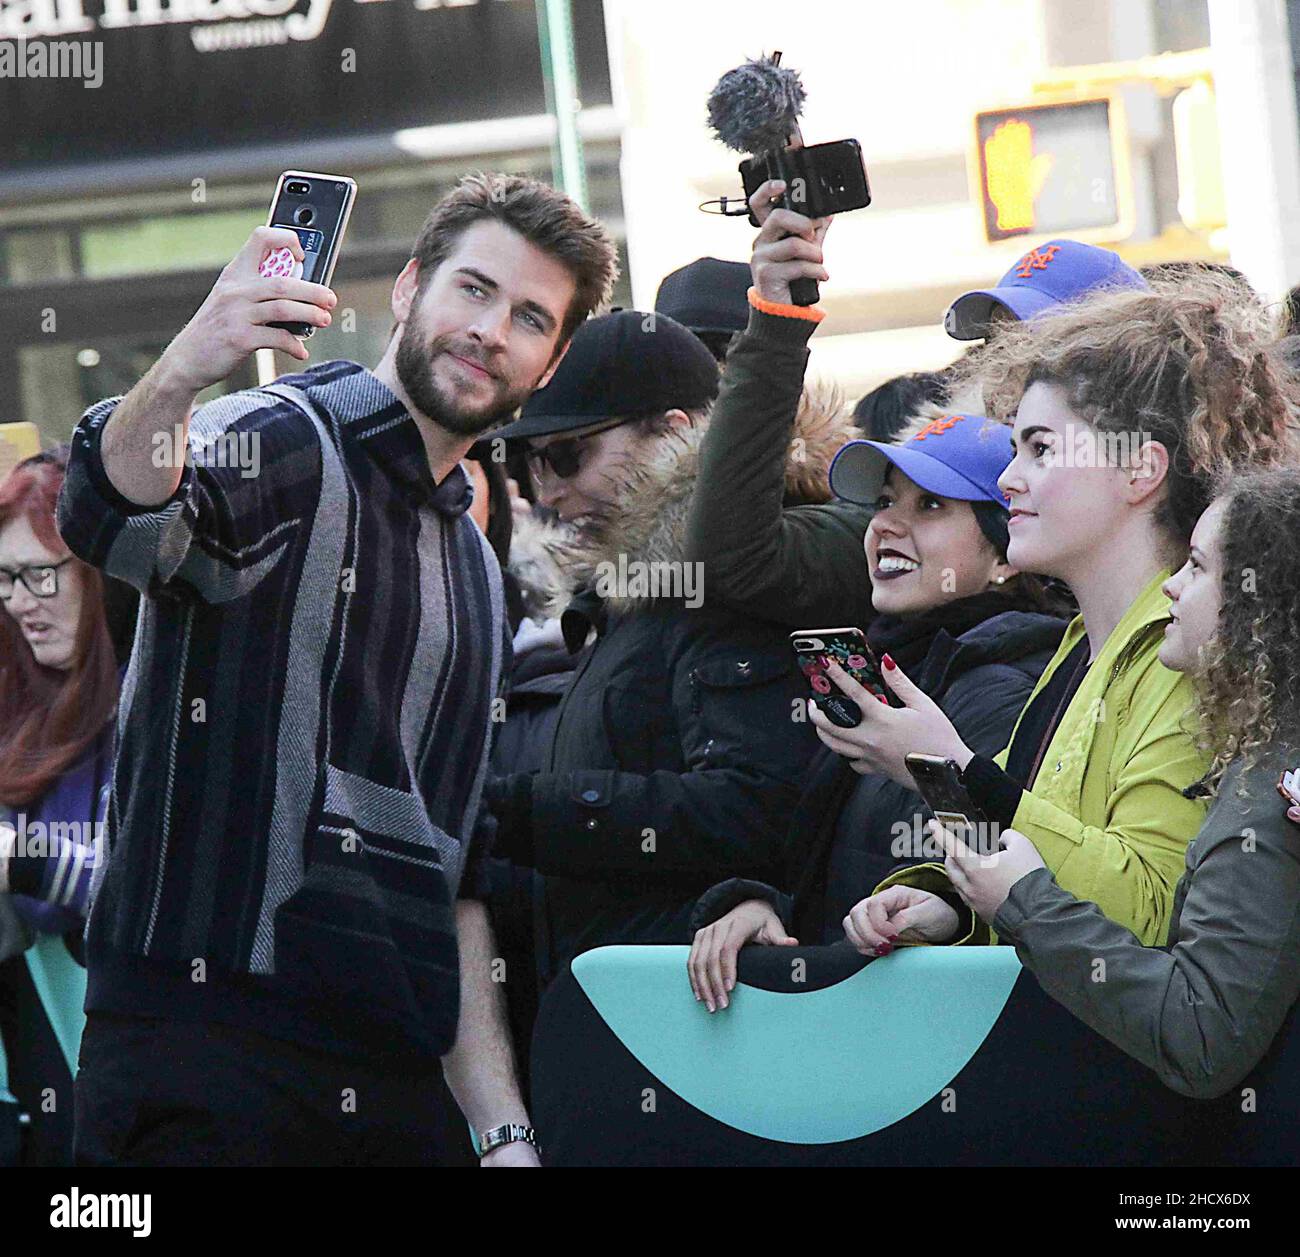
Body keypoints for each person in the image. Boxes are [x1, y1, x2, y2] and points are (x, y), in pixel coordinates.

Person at [55, 172, 617, 1167]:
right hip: (205, 1060)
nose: (491, 329)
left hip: (388, 1089)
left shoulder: (476, 571)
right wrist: (187, 366)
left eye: (529, 316)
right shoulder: (288, 439)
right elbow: (114, 517)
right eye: (473, 289)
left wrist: (501, 1133)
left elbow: (457, 875)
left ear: (553, 359)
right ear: (408, 288)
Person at [813, 272, 1298, 952]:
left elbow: (1153, 911)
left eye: (1040, 448)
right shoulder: (1079, 644)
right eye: (1014, 448)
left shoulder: (1187, 651)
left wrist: (946, 763)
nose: (1009, 479)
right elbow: (1024, 846)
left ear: (1140, 470)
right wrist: (941, 900)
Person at [485, 310, 824, 993]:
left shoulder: (720, 587)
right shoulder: (638, 589)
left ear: (674, 434)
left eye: (565, 454)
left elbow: (756, 807)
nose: (546, 490)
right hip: (629, 1012)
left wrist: (526, 810)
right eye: (528, 462)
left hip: (693, 1022)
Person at [686, 412, 1070, 1010]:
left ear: (1006, 554)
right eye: (886, 501)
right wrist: (763, 907)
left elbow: (990, 876)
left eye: (931, 506)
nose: (885, 524)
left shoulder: (1005, 684)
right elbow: (846, 868)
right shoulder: (893, 670)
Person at [937, 470, 1300, 1099]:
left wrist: (1027, 901)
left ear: (1260, 603)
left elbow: (1202, 1037)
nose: (1172, 588)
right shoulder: (1262, 760)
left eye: (1196, 566)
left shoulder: (1271, 790)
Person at [682, 187, 1150, 629]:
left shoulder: (1186, 526)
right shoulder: (936, 484)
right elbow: (736, 556)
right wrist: (776, 323)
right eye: (1001, 347)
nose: (1013, 378)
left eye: (1043, 356)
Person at [0, 448, 136, 1165]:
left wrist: (19, 862)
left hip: (128, 1105)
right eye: (4, 577)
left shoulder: (154, 707)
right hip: (26, 1097)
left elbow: (141, 897)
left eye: (38, 573)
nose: (20, 600)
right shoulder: (13, 702)